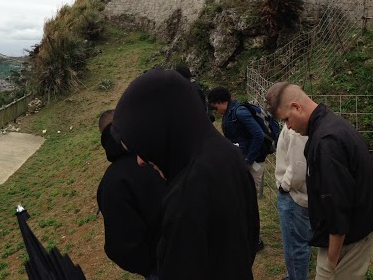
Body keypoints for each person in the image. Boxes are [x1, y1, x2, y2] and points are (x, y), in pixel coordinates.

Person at [112, 69, 258, 279]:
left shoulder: (186, 195)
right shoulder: (228, 153)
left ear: (162, 130)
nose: (140, 160)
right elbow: (250, 235)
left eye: (141, 147)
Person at [267, 82, 373, 280]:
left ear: (297, 107)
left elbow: (336, 206)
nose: (288, 126)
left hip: (347, 240)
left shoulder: (326, 142)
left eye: (287, 119)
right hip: (357, 229)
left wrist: (331, 263)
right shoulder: (332, 123)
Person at [94, 110, 168, 279]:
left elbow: (121, 246)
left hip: (163, 266)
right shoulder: (162, 149)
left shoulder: (111, 183)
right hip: (203, 245)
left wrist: (150, 266)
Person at [209, 86, 273, 193]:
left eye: (215, 108)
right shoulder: (229, 113)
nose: (216, 111)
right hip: (242, 159)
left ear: (221, 102)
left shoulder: (240, 113)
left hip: (252, 162)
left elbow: (258, 135)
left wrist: (249, 160)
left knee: (249, 193)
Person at [272, 127, 312, 280]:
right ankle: (293, 276)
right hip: (296, 193)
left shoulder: (295, 129)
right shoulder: (295, 124)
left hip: (293, 195)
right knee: (296, 244)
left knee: (296, 247)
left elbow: (298, 167)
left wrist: (285, 186)